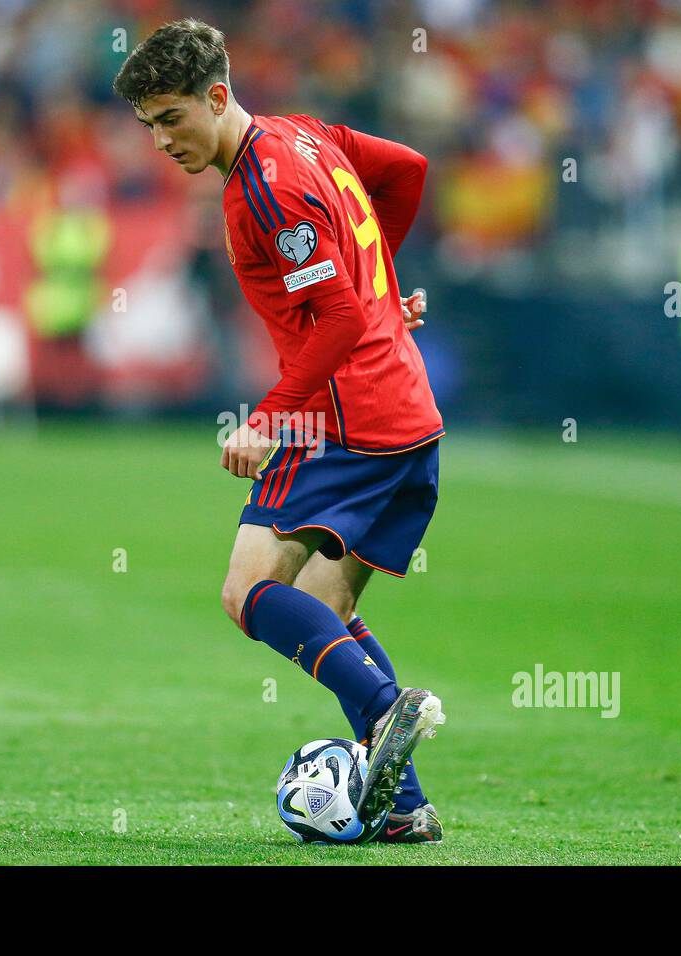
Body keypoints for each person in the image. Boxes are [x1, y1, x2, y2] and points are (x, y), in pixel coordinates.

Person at [113, 19, 446, 843]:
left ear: (217, 96)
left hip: (345, 419)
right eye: (149, 125)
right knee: (325, 605)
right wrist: (380, 285)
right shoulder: (308, 135)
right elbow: (408, 170)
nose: (162, 140)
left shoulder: (265, 186)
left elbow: (337, 317)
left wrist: (266, 419)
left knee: (248, 592)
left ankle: (387, 709)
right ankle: (404, 807)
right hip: (409, 416)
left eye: (172, 118)